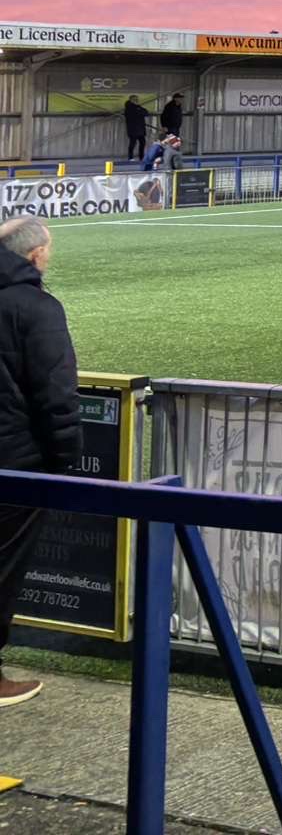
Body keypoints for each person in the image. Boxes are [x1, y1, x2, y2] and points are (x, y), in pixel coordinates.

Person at [0, 216, 81, 708]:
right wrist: (65, 461)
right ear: (35, 256)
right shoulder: (36, 307)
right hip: (16, 463)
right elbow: (56, 393)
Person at [122, 94, 149, 162]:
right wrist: (139, 111)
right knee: (132, 143)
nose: (136, 100)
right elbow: (135, 114)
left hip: (141, 128)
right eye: (134, 99)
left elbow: (146, 113)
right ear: (130, 100)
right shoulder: (128, 108)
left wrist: (139, 109)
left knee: (142, 143)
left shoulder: (138, 107)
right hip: (133, 128)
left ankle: (141, 157)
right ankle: (130, 157)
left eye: (137, 99)